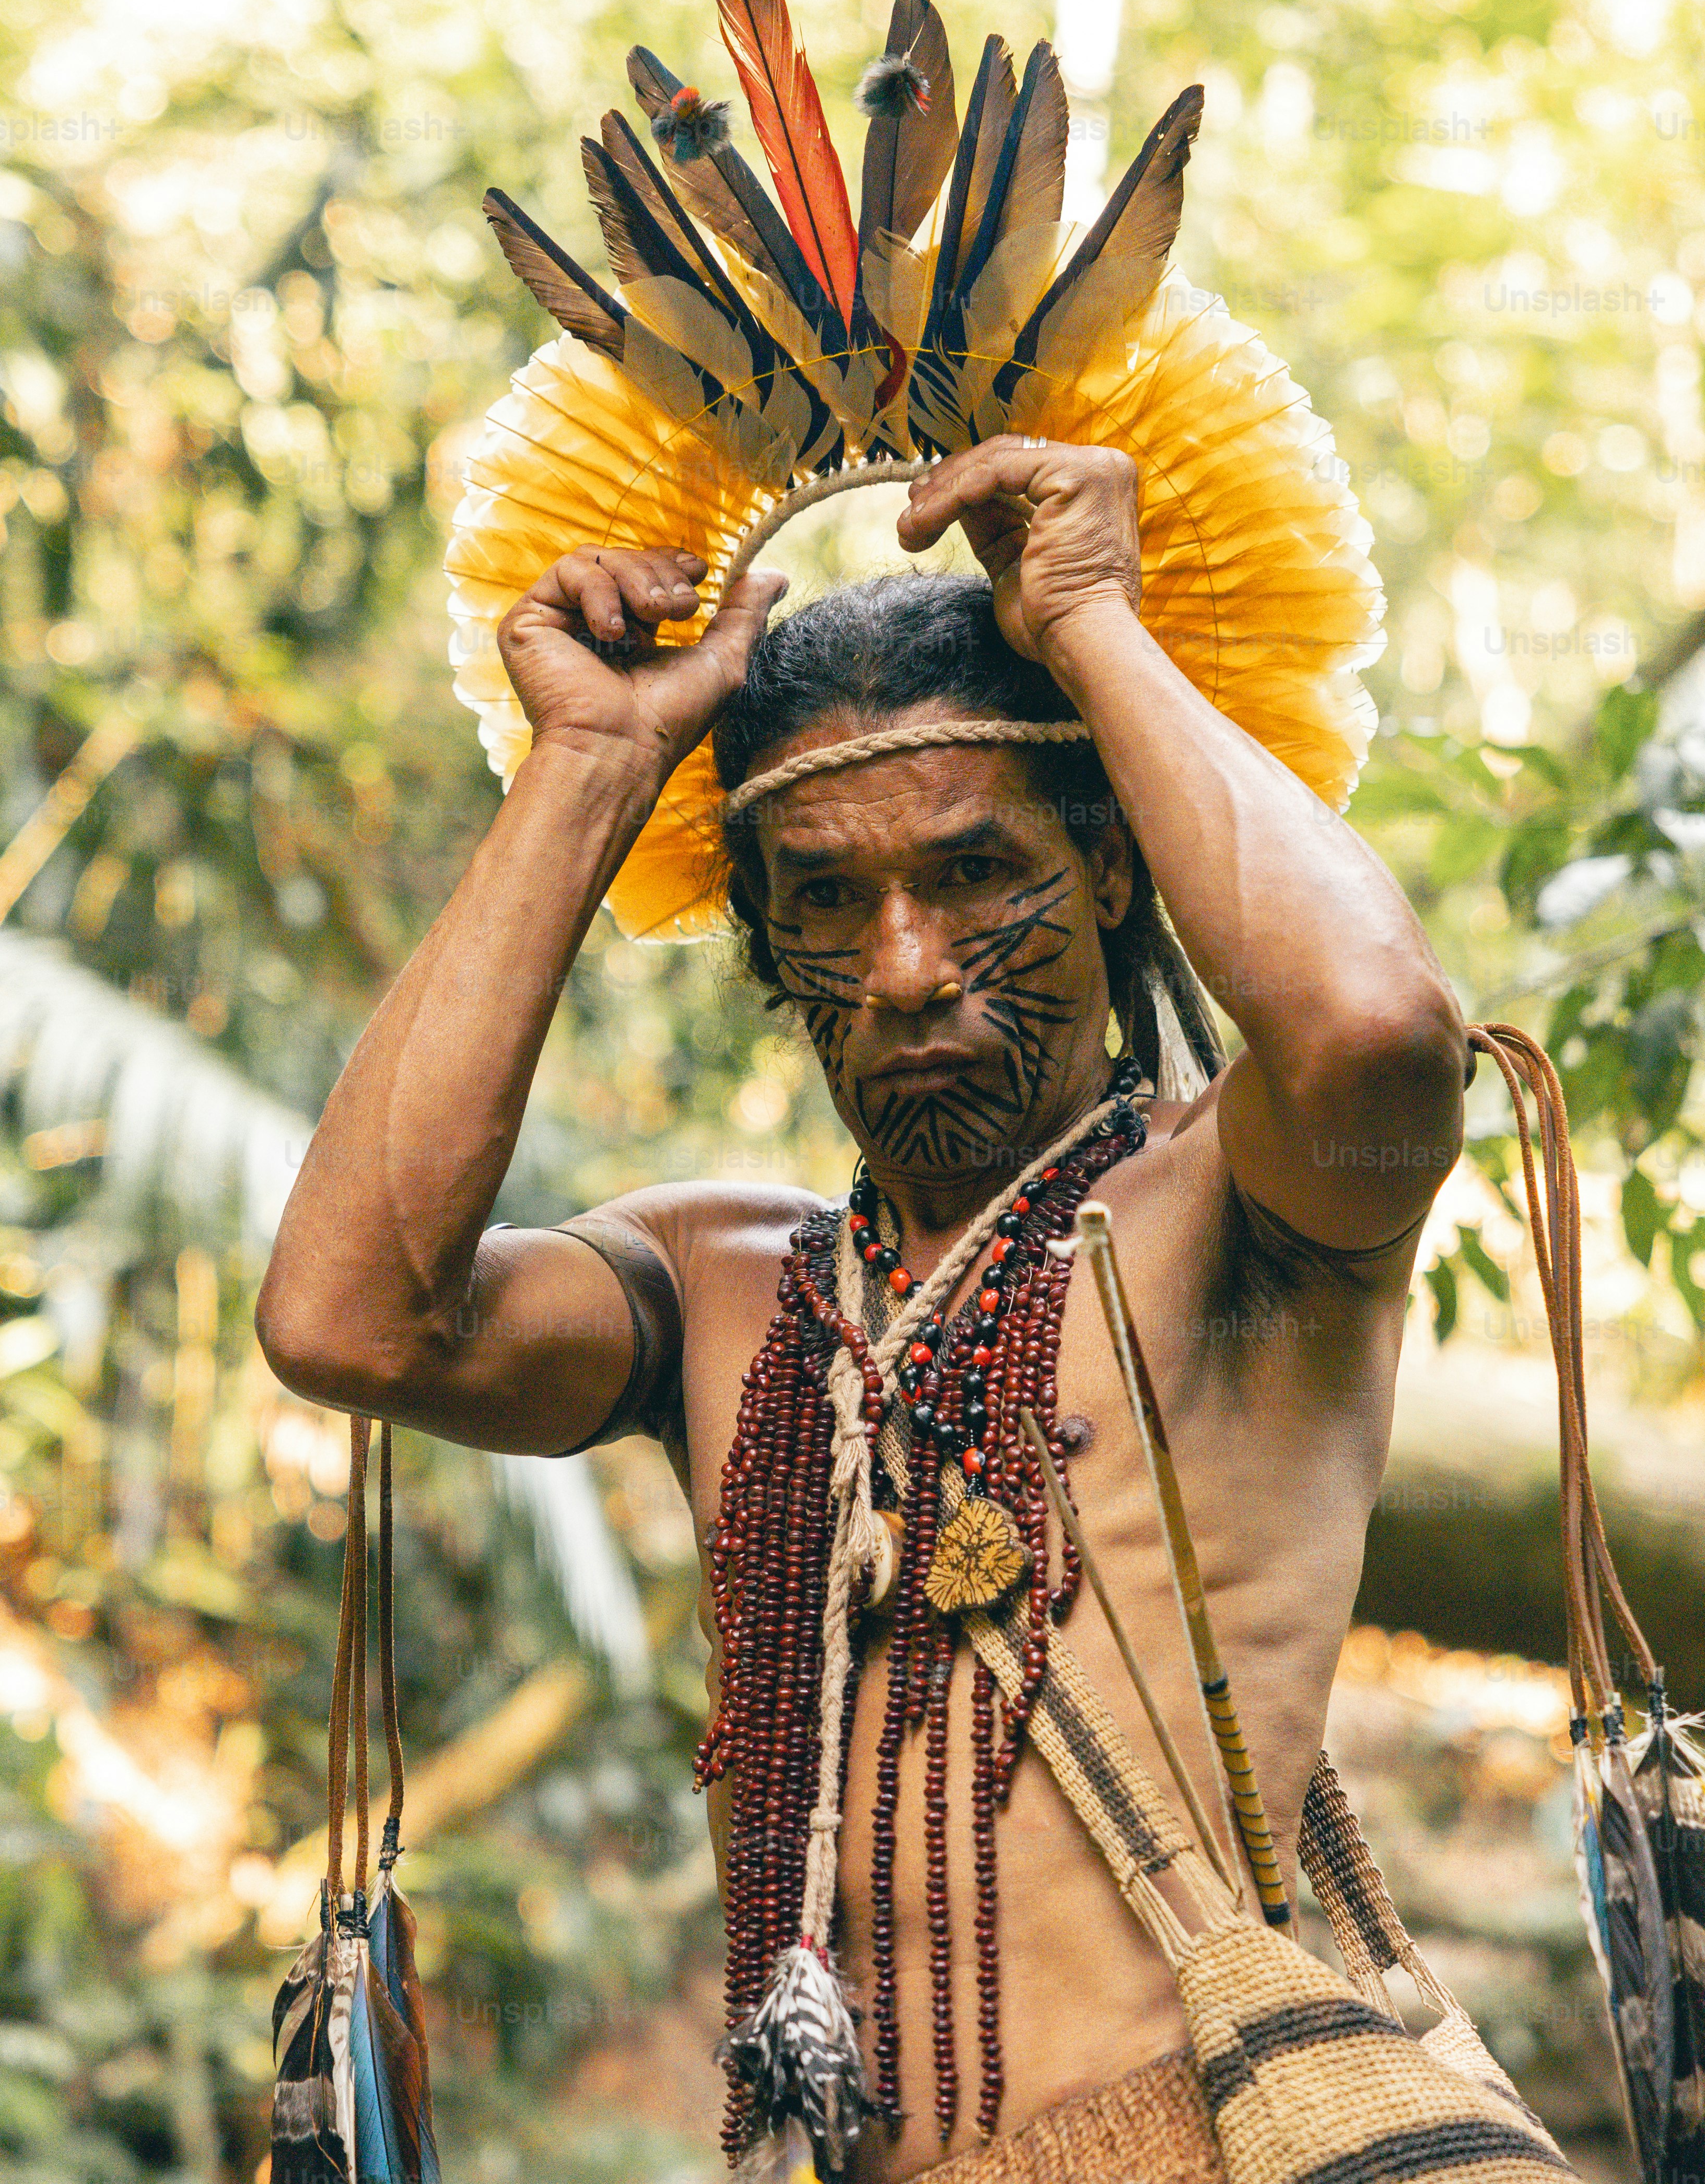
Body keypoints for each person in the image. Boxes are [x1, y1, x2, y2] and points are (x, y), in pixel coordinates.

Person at [256, 431, 1470, 2182]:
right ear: (757, 930)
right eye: (827, 897)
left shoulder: (1246, 1214)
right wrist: (591, 765)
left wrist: (1091, 629)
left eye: (975, 872)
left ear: (1111, 871)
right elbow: (349, 1318)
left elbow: (1370, 1031)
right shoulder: (715, 1282)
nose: (903, 966)